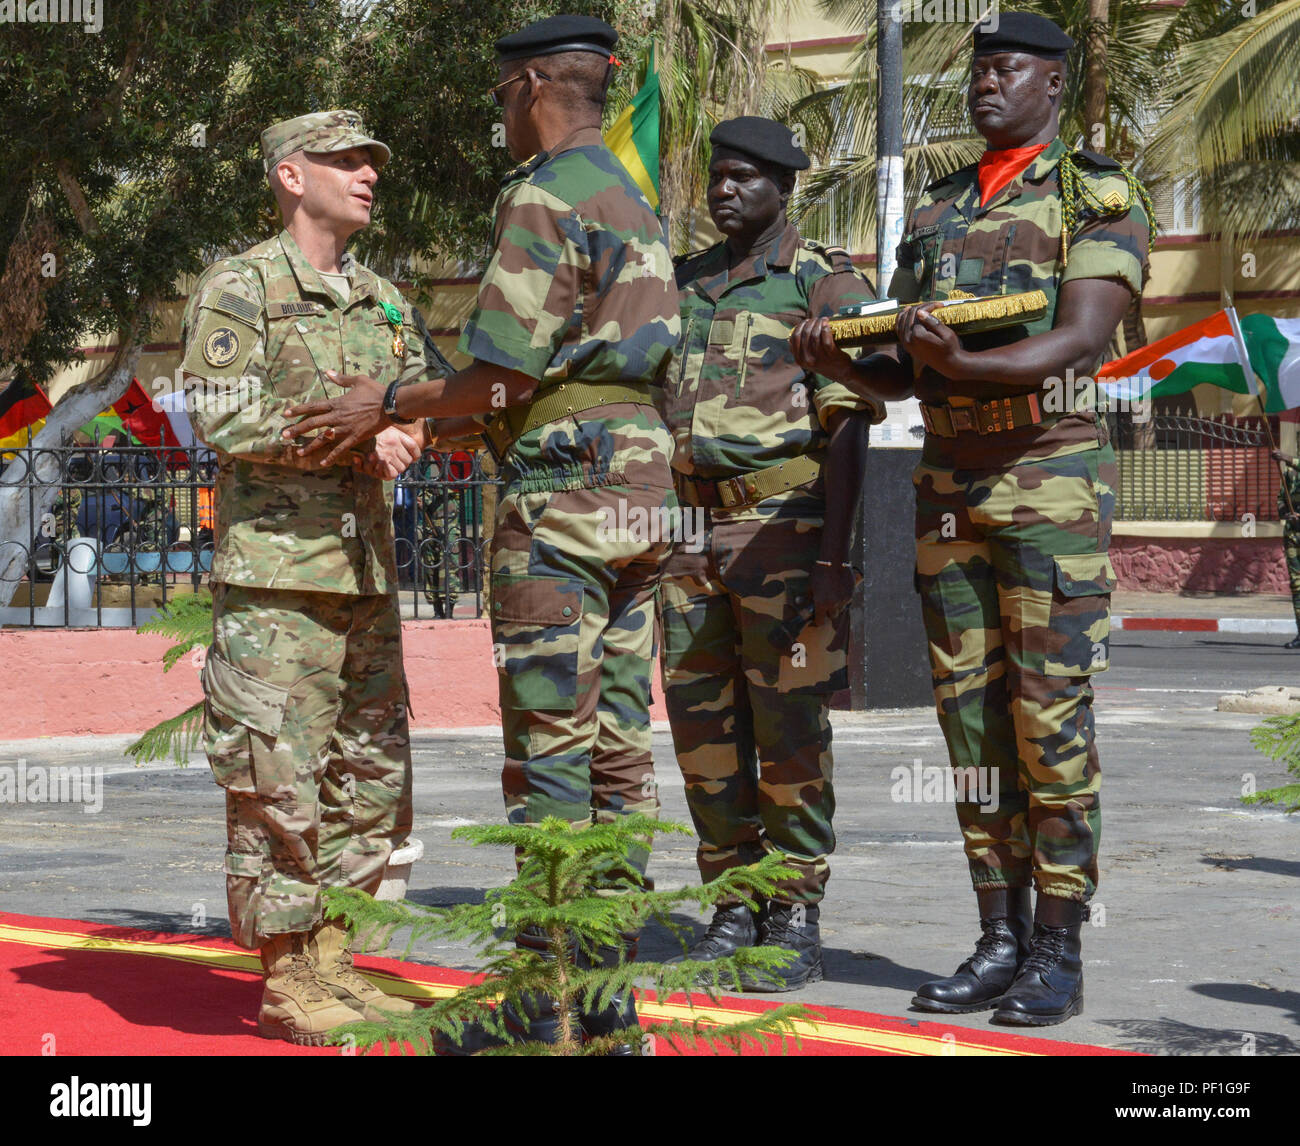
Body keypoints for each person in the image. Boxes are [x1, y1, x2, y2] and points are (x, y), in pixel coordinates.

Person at [284, 15, 679, 1049]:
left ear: (535, 84)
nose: (499, 115)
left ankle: (544, 1015)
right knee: (619, 760)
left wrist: (392, 402)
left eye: (502, 95)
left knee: (550, 760)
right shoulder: (631, 195)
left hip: (563, 494)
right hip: (640, 488)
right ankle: (607, 1013)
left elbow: (500, 375)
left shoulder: (545, 194)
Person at [791, 12, 1154, 1025]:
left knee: (1048, 722)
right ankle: (996, 934)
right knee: (969, 725)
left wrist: (958, 367)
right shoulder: (943, 209)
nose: (984, 83)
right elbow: (899, 366)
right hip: (949, 488)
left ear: (1050, 80)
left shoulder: (1094, 192)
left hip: (1047, 480)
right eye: (977, 69)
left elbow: (1077, 337)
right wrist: (840, 364)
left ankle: (1058, 946)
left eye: (1007, 68)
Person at [182, 110, 434, 1045]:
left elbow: (415, 398)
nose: (367, 173)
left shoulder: (386, 299)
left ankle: (335, 956)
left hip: (366, 577)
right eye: (345, 160)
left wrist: (410, 428)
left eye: (373, 160)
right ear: (292, 176)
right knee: (275, 780)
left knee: (368, 778)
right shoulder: (241, 284)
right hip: (277, 582)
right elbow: (218, 413)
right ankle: (287, 976)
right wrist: (350, 440)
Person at [661, 117, 882, 990]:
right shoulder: (684, 285)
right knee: (702, 730)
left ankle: (794, 910)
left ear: (784, 187)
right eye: (717, 176)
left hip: (783, 529)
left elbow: (853, 424)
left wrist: (836, 555)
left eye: (744, 177)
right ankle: (731, 901)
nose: (724, 190)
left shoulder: (825, 285)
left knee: (790, 730)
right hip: (686, 540)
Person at [1270, 449, 1300, 648]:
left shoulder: (1292, 464)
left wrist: (1288, 458)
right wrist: (1286, 513)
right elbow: (1281, 500)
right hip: (1293, 537)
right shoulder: (1290, 474)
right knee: (1297, 587)